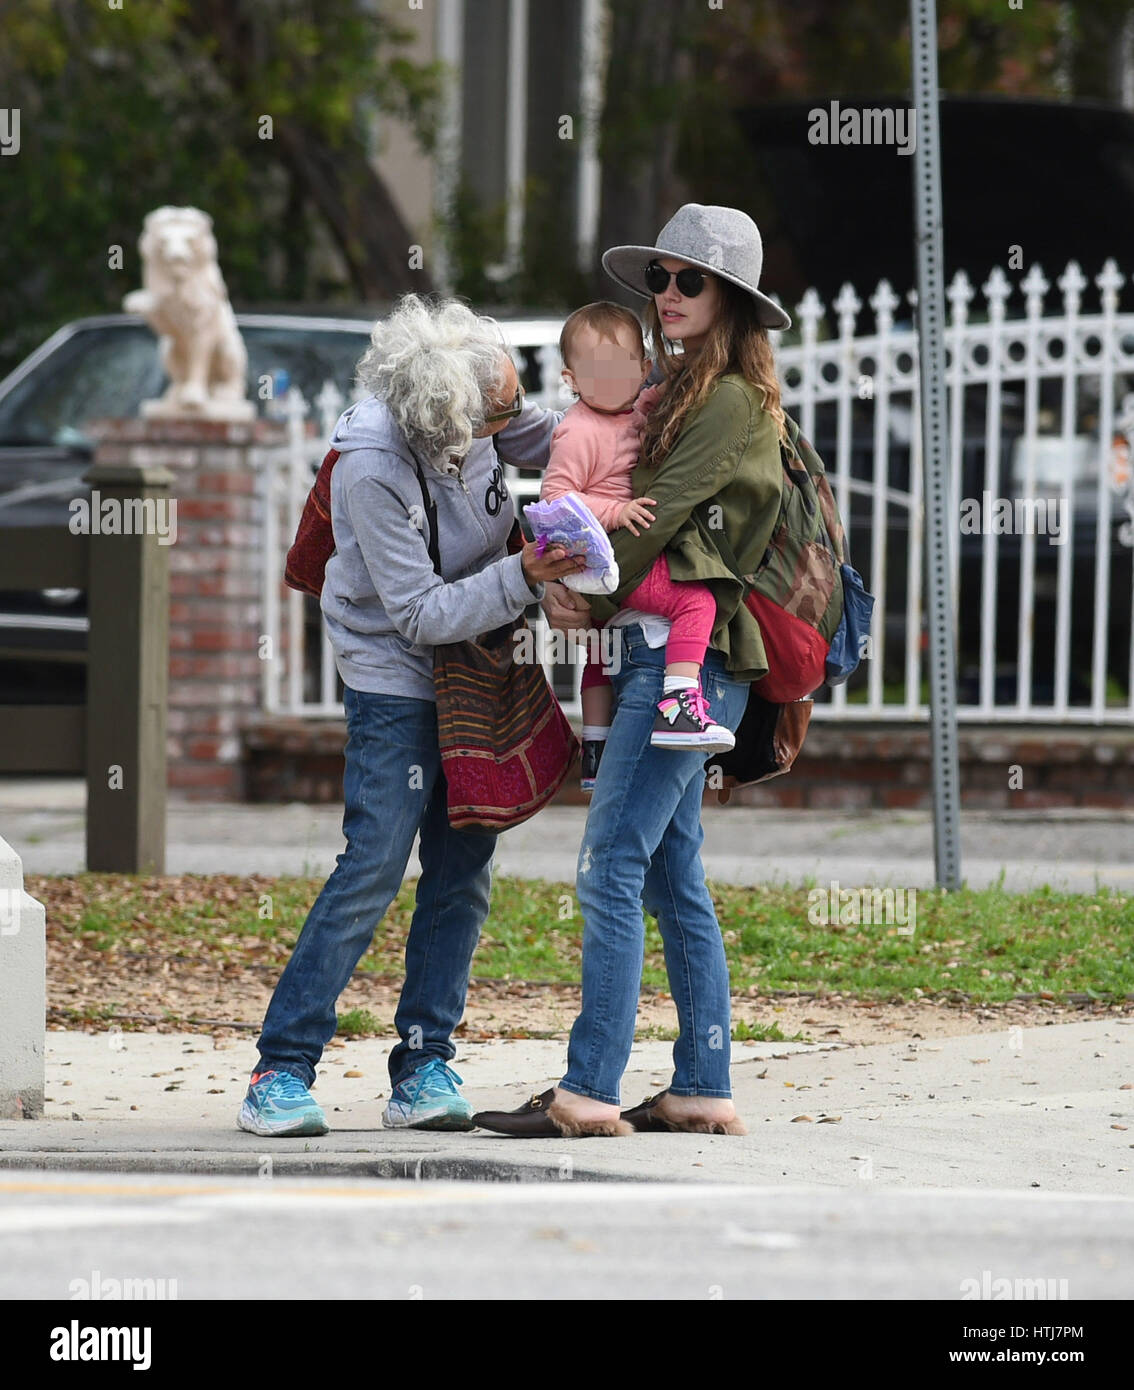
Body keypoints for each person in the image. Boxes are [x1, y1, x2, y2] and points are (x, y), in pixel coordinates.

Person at [473, 203, 796, 1139]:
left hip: (680, 663)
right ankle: (702, 1083)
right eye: (658, 278)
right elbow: (609, 485)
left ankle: (588, 1089)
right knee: (670, 874)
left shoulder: (730, 401)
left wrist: (584, 595)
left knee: (610, 863)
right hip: (658, 652)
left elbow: (656, 520)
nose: (666, 296)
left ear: (730, 296)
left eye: (687, 280)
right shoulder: (678, 392)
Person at [238, 294, 582, 1137]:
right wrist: (528, 578)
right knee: (374, 864)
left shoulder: (482, 402)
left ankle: (425, 1063)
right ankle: (280, 1069)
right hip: (394, 671)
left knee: (463, 868)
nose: (514, 423)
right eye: (498, 417)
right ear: (446, 425)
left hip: (481, 663)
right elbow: (420, 615)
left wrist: (626, 436)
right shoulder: (374, 466)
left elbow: (558, 438)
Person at [538, 300, 735, 795]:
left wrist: (688, 375)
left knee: (600, 652)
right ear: (571, 379)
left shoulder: (633, 409)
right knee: (697, 601)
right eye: (595, 372)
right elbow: (554, 498)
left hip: (611, 563)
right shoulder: (577, 431)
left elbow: (652, 403)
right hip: (607, 555)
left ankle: (596, 748)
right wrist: (614, 511)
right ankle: (680, 703)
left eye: (622, 370)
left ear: (642, 370)